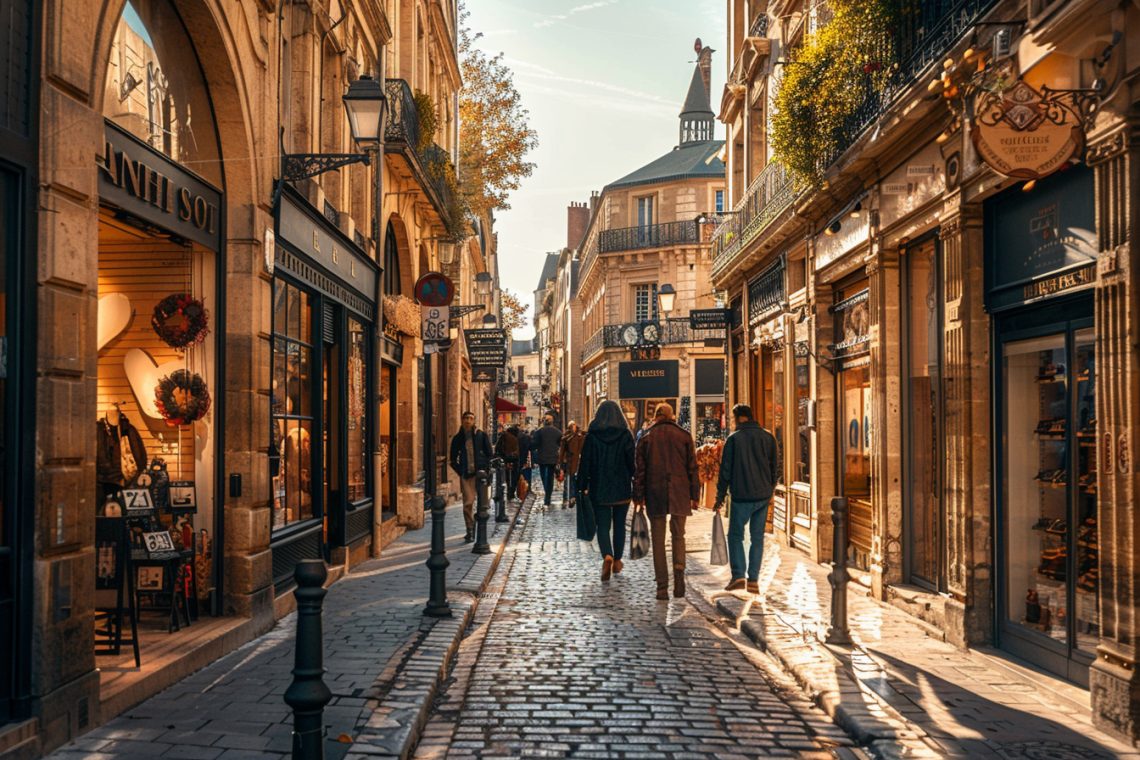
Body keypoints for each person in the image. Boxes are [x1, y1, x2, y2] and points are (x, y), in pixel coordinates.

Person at [633, 403, 699, 600]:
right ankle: (679, 577)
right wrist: (694, 496)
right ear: (672, 416)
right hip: (679, 492)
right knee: (679, 536)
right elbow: (693, 469)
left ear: (656, 416)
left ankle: (662, 587)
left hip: (656, 492)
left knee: (658, 540)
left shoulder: (646, 437)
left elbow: (640, 472)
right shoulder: (684, 436)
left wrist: (638, 497)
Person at [715, 404, 780, 595]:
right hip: (762, 496)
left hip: (742, 496)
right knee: (757, 537)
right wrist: (770, 489)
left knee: (736, 535)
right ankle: (753, 580)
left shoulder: (734, 440)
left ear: (738, 418)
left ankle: (738, 575)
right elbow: (776, 467)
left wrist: (720, 497)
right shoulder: (768, 437)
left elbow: (725, 471)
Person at [577, 401, 635, 581]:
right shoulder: (626, 435)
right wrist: (634, 480)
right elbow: (632, 463)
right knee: (619, 525)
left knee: (602, 525)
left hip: (598, 487)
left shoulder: (592, 437)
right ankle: (617, 560)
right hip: (622, 488)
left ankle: (607, 555)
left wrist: (580, 486)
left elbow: (584, 463)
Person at [448, 411, 493, 542]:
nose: (468, 421)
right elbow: (452, 459)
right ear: (462, 420)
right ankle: (470, 529)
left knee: (483, 504)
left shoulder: (481, 435)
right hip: (467, 475)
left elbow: (489, 453)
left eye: (471, 418)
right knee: (468, 503)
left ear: (474, 421)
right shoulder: (457, 438)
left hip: (481, 474)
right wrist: (460, 472)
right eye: (466, 418)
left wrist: (486, 469)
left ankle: (480, 528)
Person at [531, 414, 563, 506]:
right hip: (553, 458)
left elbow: (534, 444)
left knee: (543, 476)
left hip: (542, 457)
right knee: (550, 477)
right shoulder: (557, 432)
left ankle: (547, 494)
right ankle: (548, 495)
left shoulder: (539, 432)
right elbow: (561, 444)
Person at [558, 421, 586, 506]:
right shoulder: (566, 437)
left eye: (574, 426)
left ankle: (573, 497)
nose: (573, 428)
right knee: (568, 480)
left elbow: (582, 449)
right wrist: (560, 462)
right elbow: (562, 451)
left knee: (573, 479)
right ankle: (567, 497)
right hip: (568, 462)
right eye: (572, 426)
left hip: (576, 461)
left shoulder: (579, 437)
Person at [496, 425, 521, 501]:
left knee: (506, 477)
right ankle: (511, 493)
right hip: (515, 459)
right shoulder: (517, 438)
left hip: (505, 459)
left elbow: (498, 448)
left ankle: (508, 492)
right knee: (514, 477)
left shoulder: (503, 436)